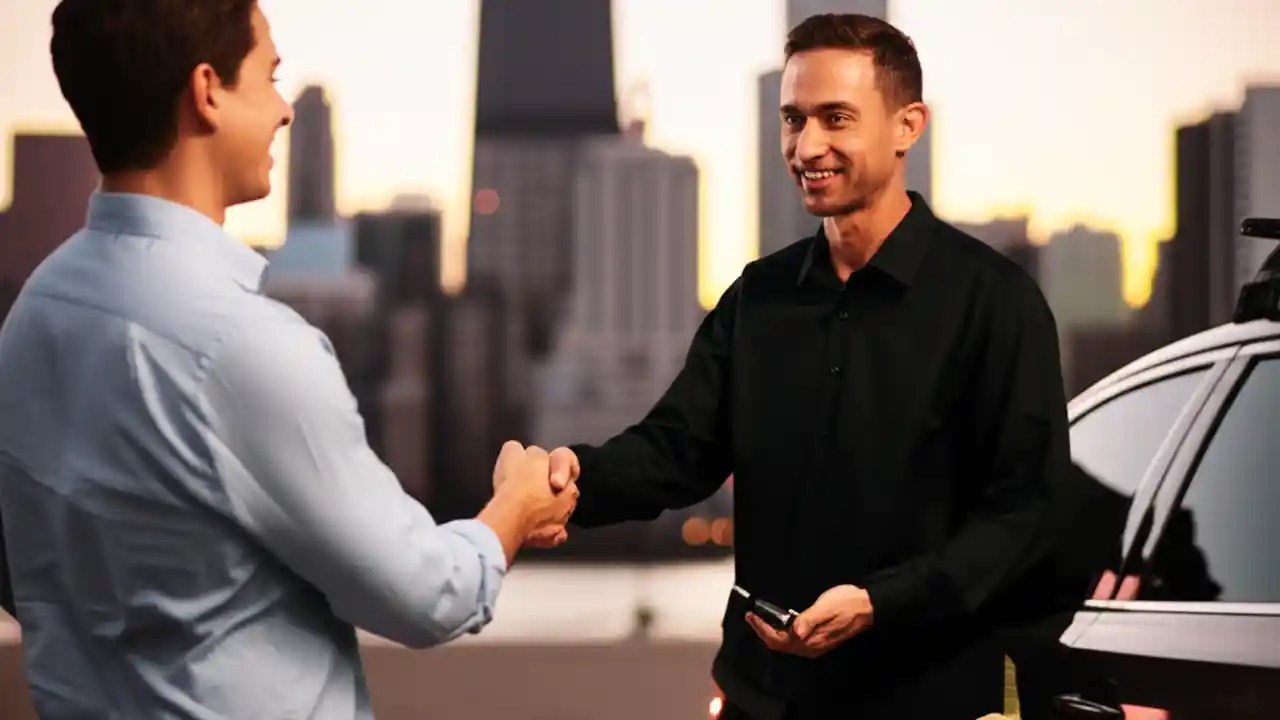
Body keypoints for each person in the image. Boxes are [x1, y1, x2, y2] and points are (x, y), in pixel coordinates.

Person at [0, 1, 578, 718]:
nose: (283, 110)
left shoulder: (34, 315)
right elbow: (430, 596)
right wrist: (517, 504)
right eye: (269, 76)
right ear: (208, 90)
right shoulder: (239, 342)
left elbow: (22, 570)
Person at [537, 13, 1074, 719]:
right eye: (792, 119)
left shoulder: (996, 303)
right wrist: (571, 479)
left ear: (908, 125)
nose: (805, 145)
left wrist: (879, 604)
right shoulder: (758, 298)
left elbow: (1023, 516)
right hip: (764, 698)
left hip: (930, 699)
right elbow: (676, 450)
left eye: (835, 118)